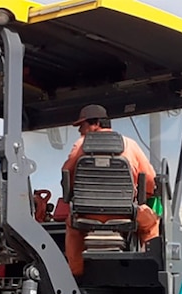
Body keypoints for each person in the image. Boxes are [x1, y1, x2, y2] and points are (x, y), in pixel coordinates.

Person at [60, 103, 161, 276]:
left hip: (87, 214)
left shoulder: (80, 145)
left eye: (82, 126)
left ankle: (76, 274)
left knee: (73, 227)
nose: (79, 131)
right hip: (126, 213)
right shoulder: (130, 144)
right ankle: (152, 269)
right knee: (151, 224)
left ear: (96, 123)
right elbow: (150, 179)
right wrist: (145, 196)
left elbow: (66, 174)